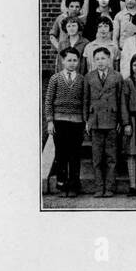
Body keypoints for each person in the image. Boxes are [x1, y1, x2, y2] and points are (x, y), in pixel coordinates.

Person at [45, 48, 87, 196]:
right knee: (61, 154)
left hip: (77, 122)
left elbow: (84, 102)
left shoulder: (82, 79)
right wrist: (50, 121)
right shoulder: (55, 78)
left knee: (75, 155)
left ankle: (74, 185)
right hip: (59, 121)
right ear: (62, 61)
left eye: (75, 60)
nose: (72, 63)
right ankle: (62, 185)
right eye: (69, 60)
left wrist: (85, 121)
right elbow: (49, 101)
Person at [83, 46, 123, 197]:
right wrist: (86, 120)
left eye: (103, 58)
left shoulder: (117, 76)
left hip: (111, 120)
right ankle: (99, 188)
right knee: (97, 157)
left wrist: (121, 120)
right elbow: (85, 100)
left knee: (111, 157)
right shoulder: (89, 77)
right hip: (96, 121)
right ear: (94, 61)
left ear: (109, 59)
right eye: (97, 59)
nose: (100, 61)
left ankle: (110, 188)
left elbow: (121, 101)